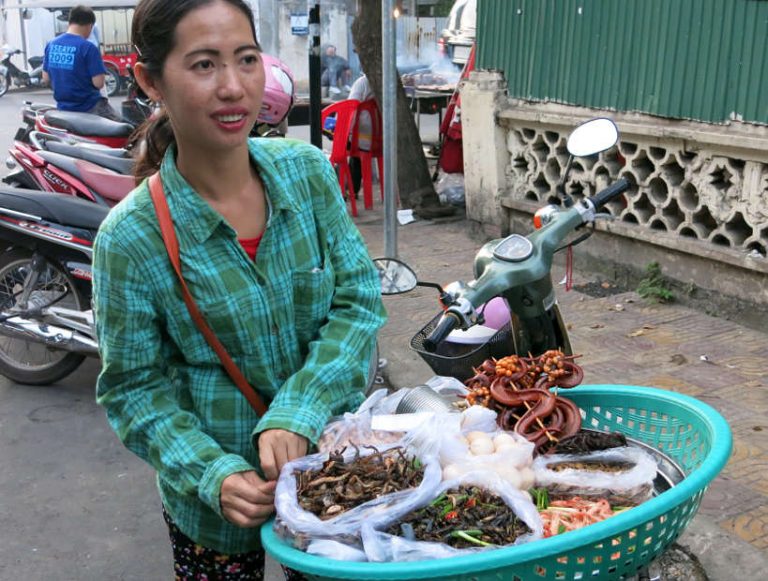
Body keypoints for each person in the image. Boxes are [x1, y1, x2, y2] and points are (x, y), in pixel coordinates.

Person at [91, 0, 386, 578]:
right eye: (203, 65)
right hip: (215, 513)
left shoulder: (306, 174)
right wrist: (211, 473)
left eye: (246, 59)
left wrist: (299, 409)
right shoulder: (130, 240)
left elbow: (358, 299)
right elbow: (133, 389)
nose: (234, 87)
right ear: (151, 80)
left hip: (336, 479)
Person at [42, 5, 121, 121]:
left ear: (70, 22)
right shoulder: (88, 48)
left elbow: (46, 78)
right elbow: (99, 83)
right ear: (90, 25)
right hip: (90, 108)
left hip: (63, 108)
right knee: (128, 129)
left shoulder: (51, 45)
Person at [347, 73, 375, 195]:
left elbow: (350, 108)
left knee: (347, 147)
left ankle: (351, 189)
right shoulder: (389, 81)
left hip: (364, 141)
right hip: (383, 139)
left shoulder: (362, 83)